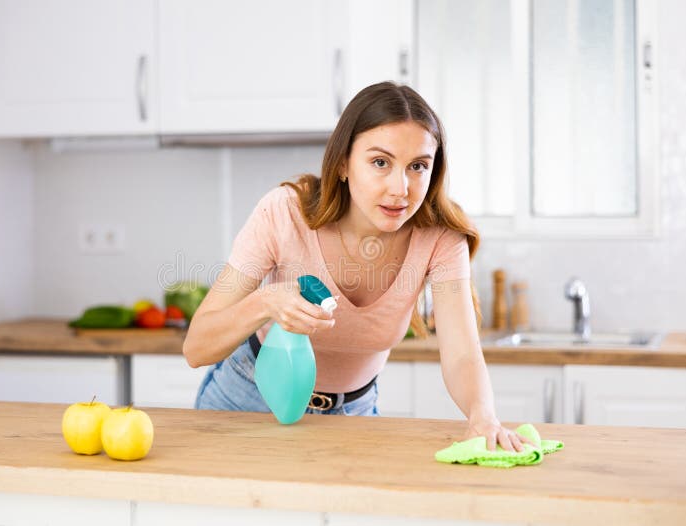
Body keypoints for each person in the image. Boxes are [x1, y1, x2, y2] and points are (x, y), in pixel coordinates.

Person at [183, 81, 530, 452]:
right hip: (248, 404)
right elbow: (197, 347)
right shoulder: (283, 213)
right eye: (380, 162)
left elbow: (461, 352)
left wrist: (483, 417)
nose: (401, 188)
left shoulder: (440, 238)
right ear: (344, 163)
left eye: (418, 166)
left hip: (356, 415)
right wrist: (265, 303)